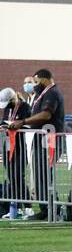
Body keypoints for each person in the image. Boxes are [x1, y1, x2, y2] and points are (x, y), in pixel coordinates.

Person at [11, 69, 65, 221]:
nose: (33, 85)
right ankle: (45, 208)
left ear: (44, 80)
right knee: (41, 176)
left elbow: (46, 115)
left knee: (45, 176)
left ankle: (53, 209)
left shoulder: (52, 93)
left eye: (35, 82)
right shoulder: (45, 93)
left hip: (49, 140)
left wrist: (23, 122)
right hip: (41, 139)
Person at [0, 87, 32, 218]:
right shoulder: (8, 108)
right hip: (8, 145)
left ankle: (28, 206)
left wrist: (16, 125)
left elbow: (28, 124)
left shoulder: (25, 107)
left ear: (13, 98)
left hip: (21, 145)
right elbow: (4, 120)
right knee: (12, 177)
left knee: (18, 176)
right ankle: (16, 207)